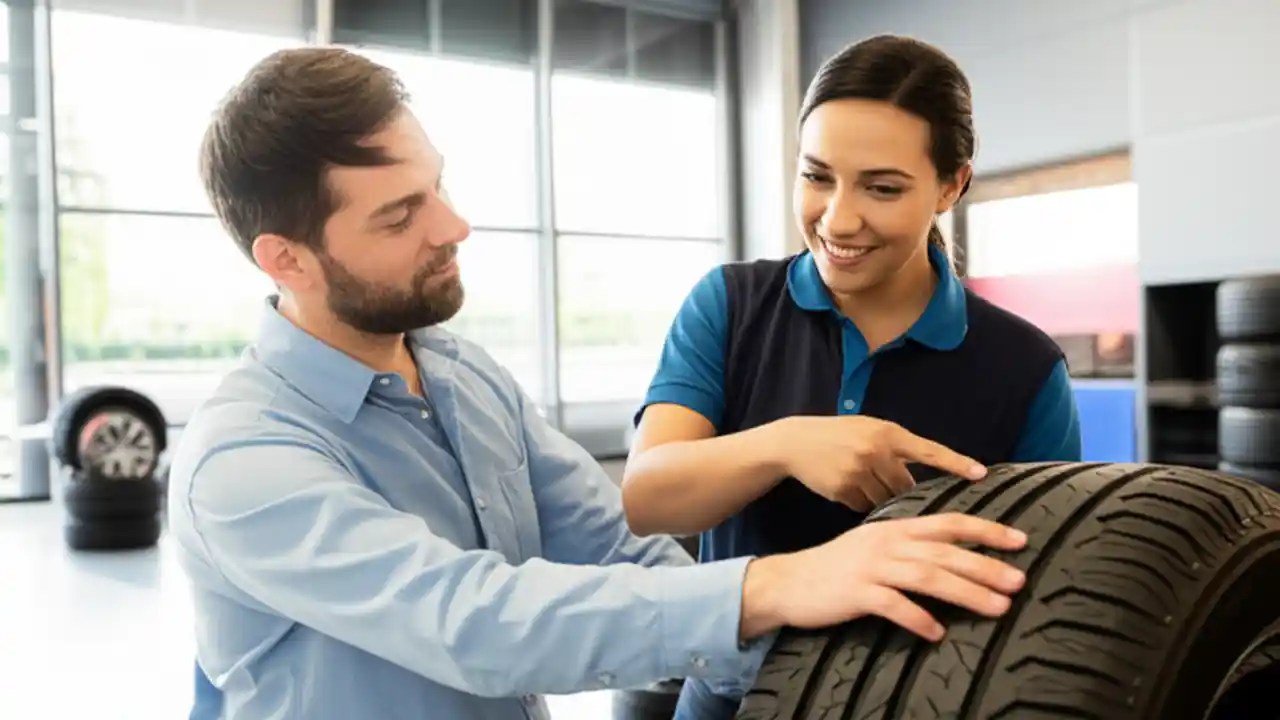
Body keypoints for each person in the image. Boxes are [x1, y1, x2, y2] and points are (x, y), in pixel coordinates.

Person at [168, 46, 1033, 720]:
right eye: (400, 215)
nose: (455, 226)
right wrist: (776, 585)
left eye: (437, 186)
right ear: (288, 260)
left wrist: (856, 661)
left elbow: (619, 552)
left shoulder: (463, 376)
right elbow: (473, 620)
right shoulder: (243, 462)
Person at [621, 35, 1084, 717]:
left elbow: (1048, 591)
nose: (838, 219)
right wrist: (786, 445)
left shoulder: (1026, 367)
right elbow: (648, 497)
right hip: (729, 701)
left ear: (951, 185)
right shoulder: (730, 305)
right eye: (816, 177)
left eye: (883, 188)